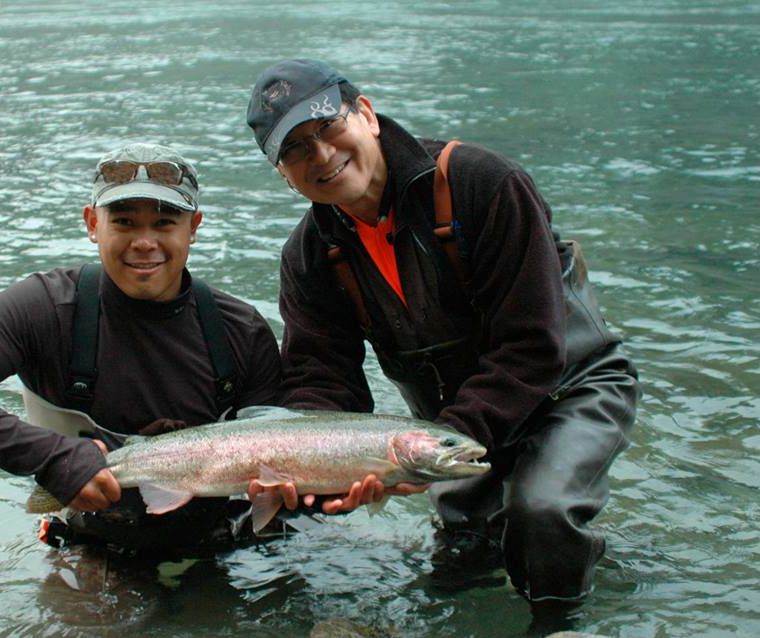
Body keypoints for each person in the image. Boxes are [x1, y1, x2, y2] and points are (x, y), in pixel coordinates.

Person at [245, 59, 640, 606]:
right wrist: (317, 465)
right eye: (295, 150)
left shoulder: (484, 184)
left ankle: (558, 622)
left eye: (328, 127)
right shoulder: (311, 255)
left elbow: (532, 347)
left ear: (366, 113)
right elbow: (323, 378)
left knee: (541, 513)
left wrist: (435, 442)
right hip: (450, 427)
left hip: (569, 388)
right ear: (283, 175)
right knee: (465, 556)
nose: (322, 154)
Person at [0, 141, 284, 553]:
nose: (144, 242)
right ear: (93, 223)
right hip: (88, 546)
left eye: (164, 224)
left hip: (218, 548)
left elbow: (284, 450)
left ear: (194, 228)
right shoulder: (45, 308)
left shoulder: (241, 329)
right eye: (124, 221)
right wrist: (50, 457)